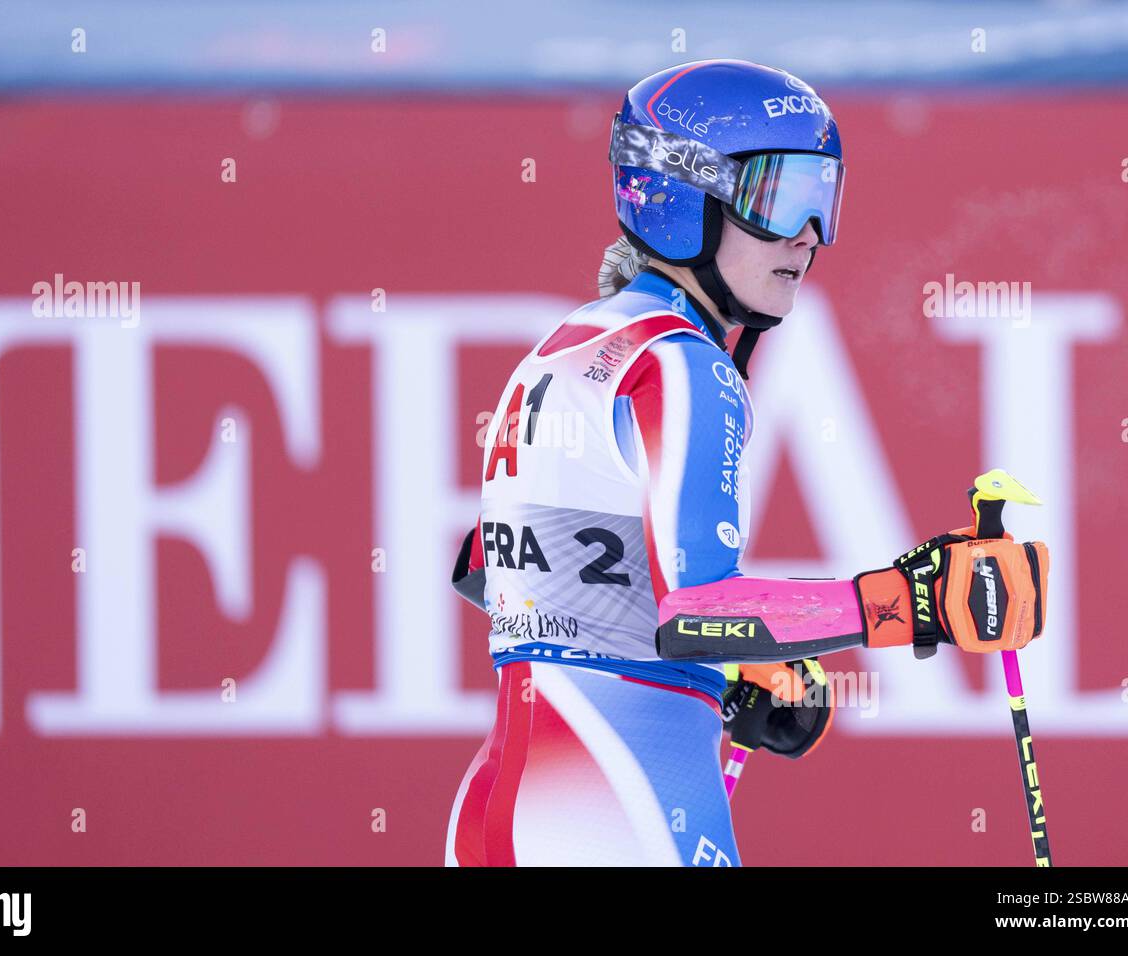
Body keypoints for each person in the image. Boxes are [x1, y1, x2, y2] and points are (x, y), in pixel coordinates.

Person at [444, 59, 1050, 867]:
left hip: (499, 807)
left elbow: (493, 572)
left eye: (822, 198)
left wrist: (730, 687)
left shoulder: (560, 351)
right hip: (622, 805)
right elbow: (694, 614)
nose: (809, 234)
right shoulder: (681, 364)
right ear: (681, 197)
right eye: (778, 197)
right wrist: (919, 600)